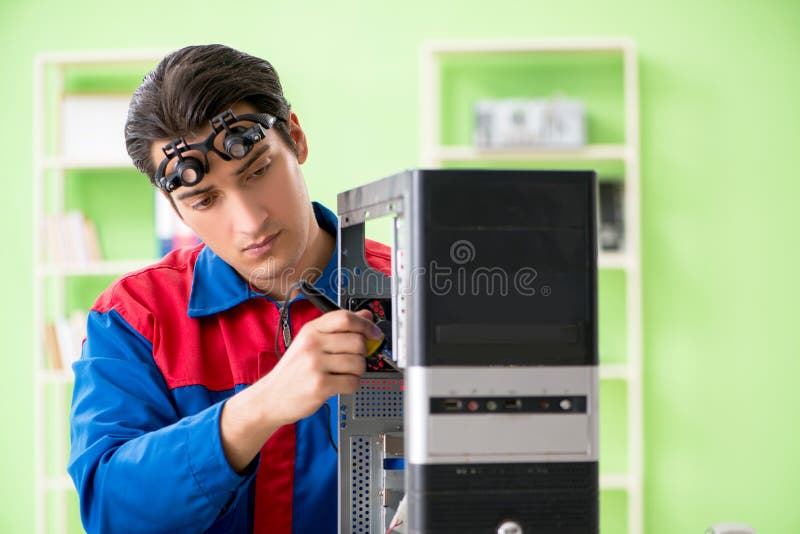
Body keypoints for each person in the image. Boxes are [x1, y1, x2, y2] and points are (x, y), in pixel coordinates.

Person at [67, 44, 391, 534]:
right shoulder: (132, 317)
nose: (249, 222)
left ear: (296, 139)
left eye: (258, 170)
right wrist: (258, 409)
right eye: (204, 198)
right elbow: (111, 512)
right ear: (174, 207)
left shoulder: (412, 288)